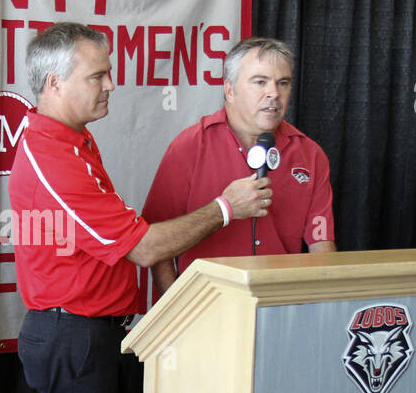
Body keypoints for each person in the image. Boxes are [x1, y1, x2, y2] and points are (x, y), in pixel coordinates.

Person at [9, 22, 255, 393]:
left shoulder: (73, 140)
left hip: (92, 335)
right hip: (76, 338)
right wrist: (227, 208)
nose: (111, 84)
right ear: (54, 83)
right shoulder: (52, 158)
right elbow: (142, 248)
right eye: (96, 76)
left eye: (108, 72)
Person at [143, 37, 336, 295]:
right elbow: (157, 245)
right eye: (260, 82)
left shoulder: (310, 155)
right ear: (230, 90)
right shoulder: (190, 146)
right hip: (206, 307)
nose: (274, 94)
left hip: (277, 306)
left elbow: (321, 246)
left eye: (283, 83)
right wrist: (177, 309)